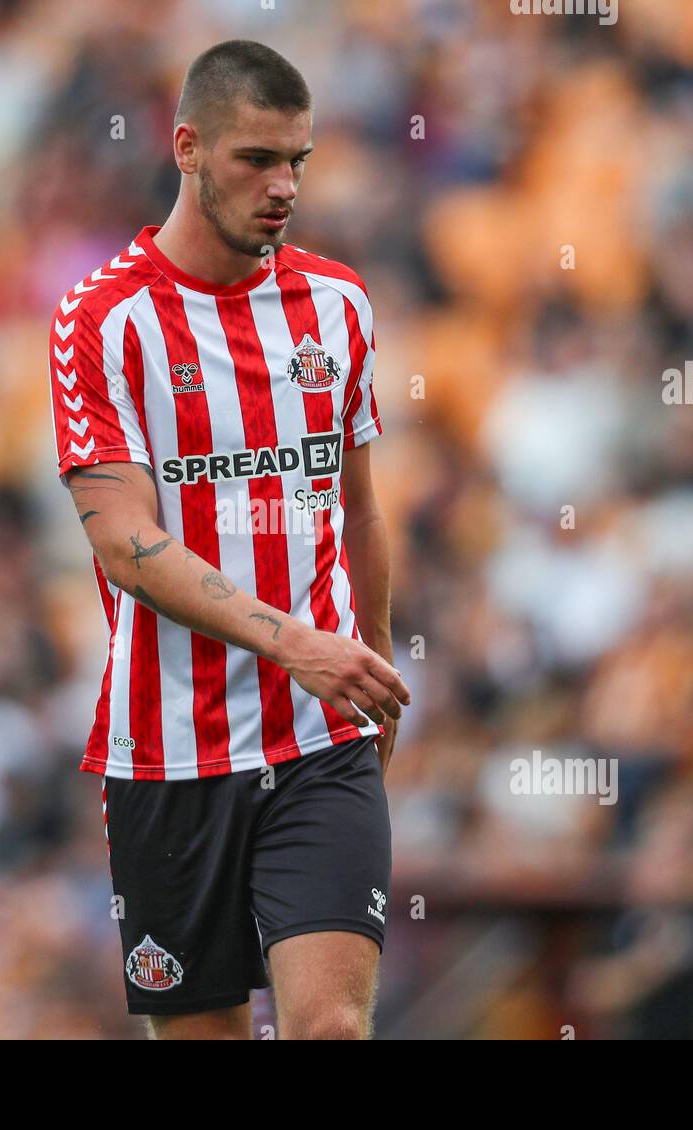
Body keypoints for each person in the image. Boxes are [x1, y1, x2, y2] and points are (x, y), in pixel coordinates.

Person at [49, 38, 410, 1040]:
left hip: (317, 740)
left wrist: (366, 657)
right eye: (257, 158)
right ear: (187, 147)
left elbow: (360, 505)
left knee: (330, 1026)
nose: (283, 185)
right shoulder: (101, 321)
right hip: (169, 753)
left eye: (299, 159)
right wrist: (297, 640)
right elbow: (127, 543)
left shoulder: (336, 304)